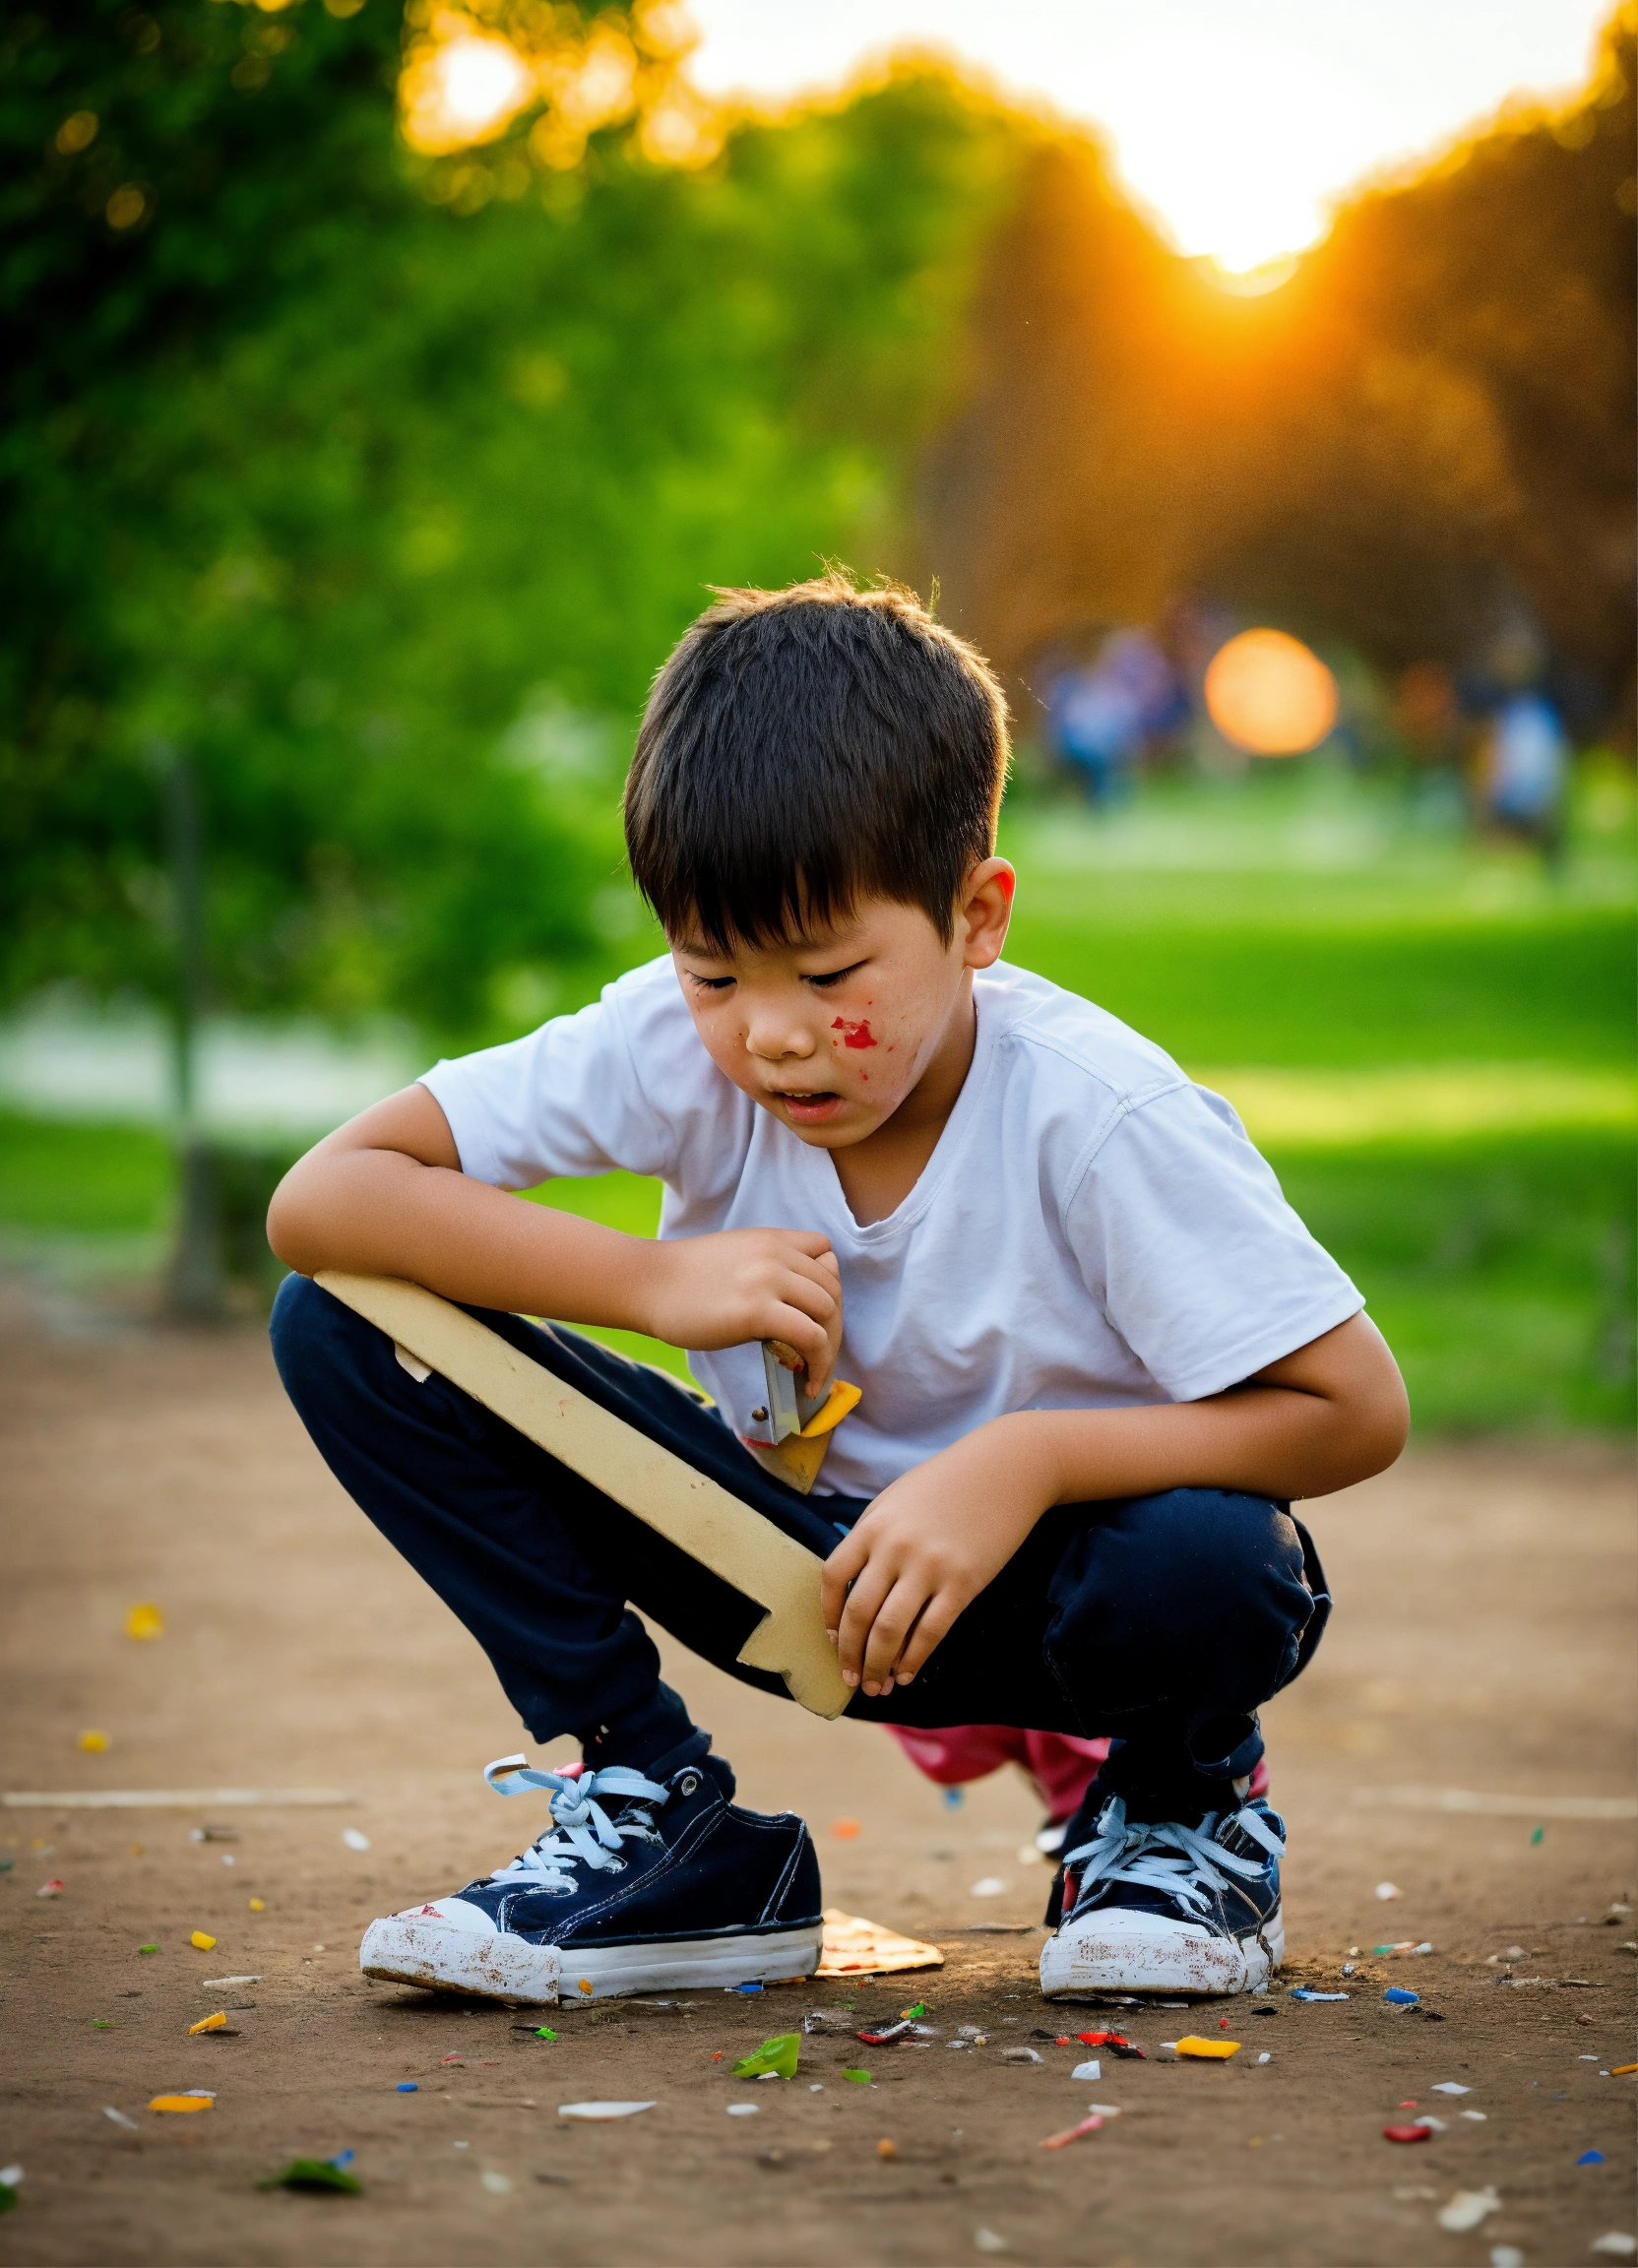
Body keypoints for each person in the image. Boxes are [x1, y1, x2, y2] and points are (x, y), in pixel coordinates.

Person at [266, 574, 1409, 2005]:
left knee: (1215, 1558)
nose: (772, 1036)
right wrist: (653, 1281)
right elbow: (324, 1202)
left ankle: (1181, 1815)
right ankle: (662, 1812)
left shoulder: (1096, 1114)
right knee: (350, 1322)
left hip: (1055, 1598)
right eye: (714, 973)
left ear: (978, 915)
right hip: (779, 1569)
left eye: (828, 971)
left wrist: (1028, 1459)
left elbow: (1354, 1407)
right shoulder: (673, 1046)